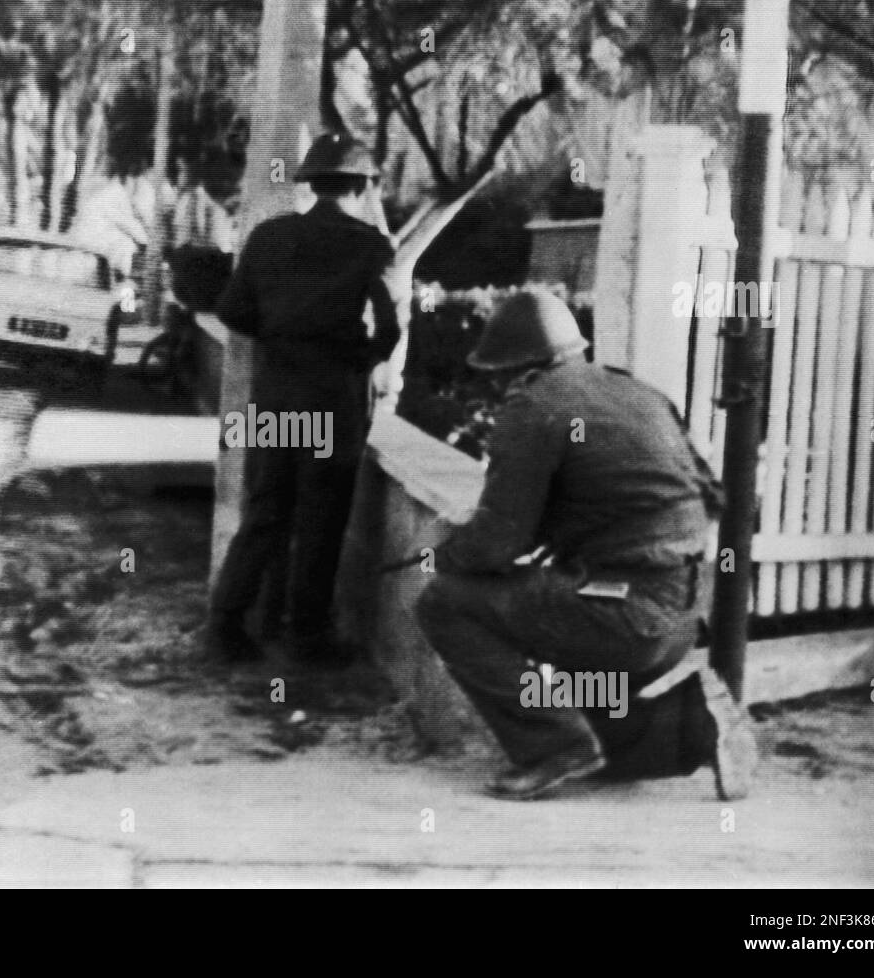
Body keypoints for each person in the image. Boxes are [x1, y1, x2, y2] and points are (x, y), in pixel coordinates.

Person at [413, 288, 758, 799]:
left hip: (625, 619)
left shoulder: (535, 405)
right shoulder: (636, 392)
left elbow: (495, 545)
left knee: (445, 602)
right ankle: (700, 721)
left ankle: (552, 748)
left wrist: (445, 550)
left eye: (498, 373)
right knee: (597, 736)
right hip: (682, 613)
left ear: (518, 368)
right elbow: (711, 495)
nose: (498, 384)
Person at [208, 132, 406, 664]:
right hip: (334, 399)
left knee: (266, 508)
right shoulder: (369, 246)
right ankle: (306, 635)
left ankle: (226, 623)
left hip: (275, 396)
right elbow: (391, 327)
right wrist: (359, 358)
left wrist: (279, 334)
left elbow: (232, 311)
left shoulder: (269, 236)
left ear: (311, 183)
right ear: (363, 186)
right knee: (322, 512)